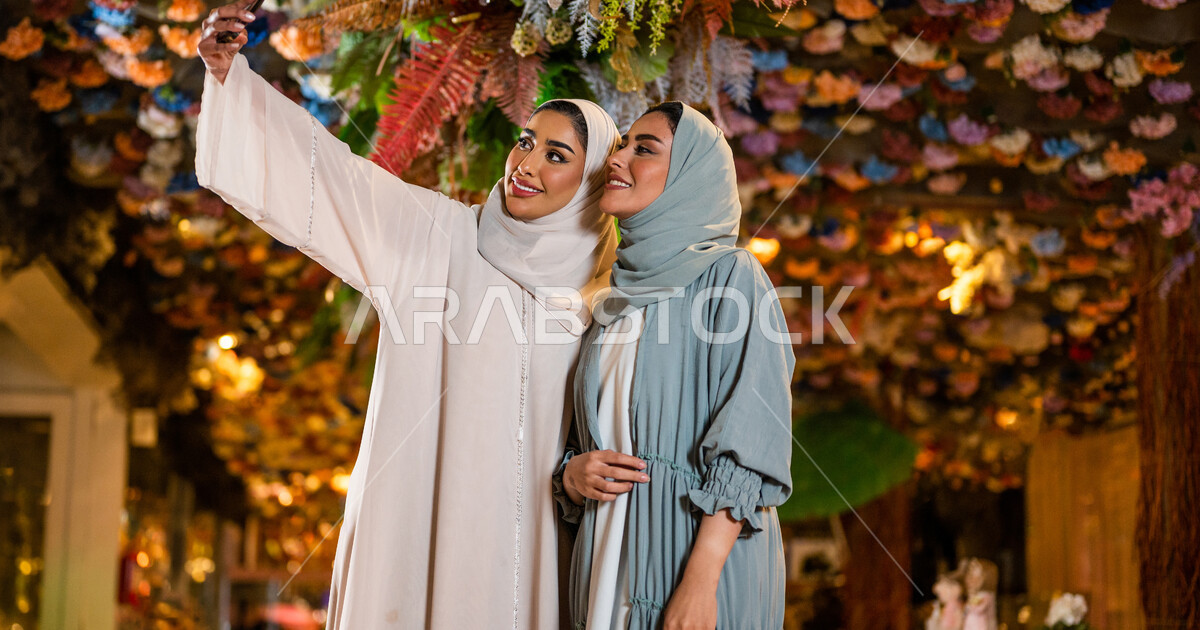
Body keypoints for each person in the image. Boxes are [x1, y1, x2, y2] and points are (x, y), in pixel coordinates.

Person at [196, 5, 620, 628]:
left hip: (537, 556)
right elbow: (334, 181)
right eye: (526, 141)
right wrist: (230, 75)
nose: (525, 165)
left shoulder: (601, 300)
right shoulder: (438, 237)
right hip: (416, 543)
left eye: (557, 155)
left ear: (591, 182)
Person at [556, 102, 795, 629]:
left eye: (645, 149)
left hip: (698, 564)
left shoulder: (732, 278)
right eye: (622, 144)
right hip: (605, 559)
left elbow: (752, 446)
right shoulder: (611, 298)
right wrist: (573, 475)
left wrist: (701, 582)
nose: (618, 158)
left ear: (691, 176)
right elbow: (593, 432)